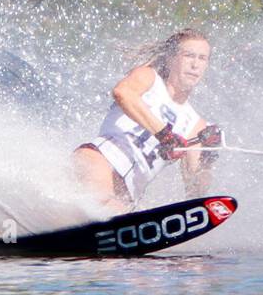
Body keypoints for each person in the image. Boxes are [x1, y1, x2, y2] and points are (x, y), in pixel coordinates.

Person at [74, 29, 222, 211]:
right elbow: (123, 93)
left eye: (202, 58)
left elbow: (194, 192)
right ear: (171, 58)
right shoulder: (149, 78)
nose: (195, 64)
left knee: (118, 210)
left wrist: (208, 158)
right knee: (104, 206)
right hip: (100, 160)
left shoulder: (195, 124)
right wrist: (164, 135)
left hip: (127, 194)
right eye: (189, 55)